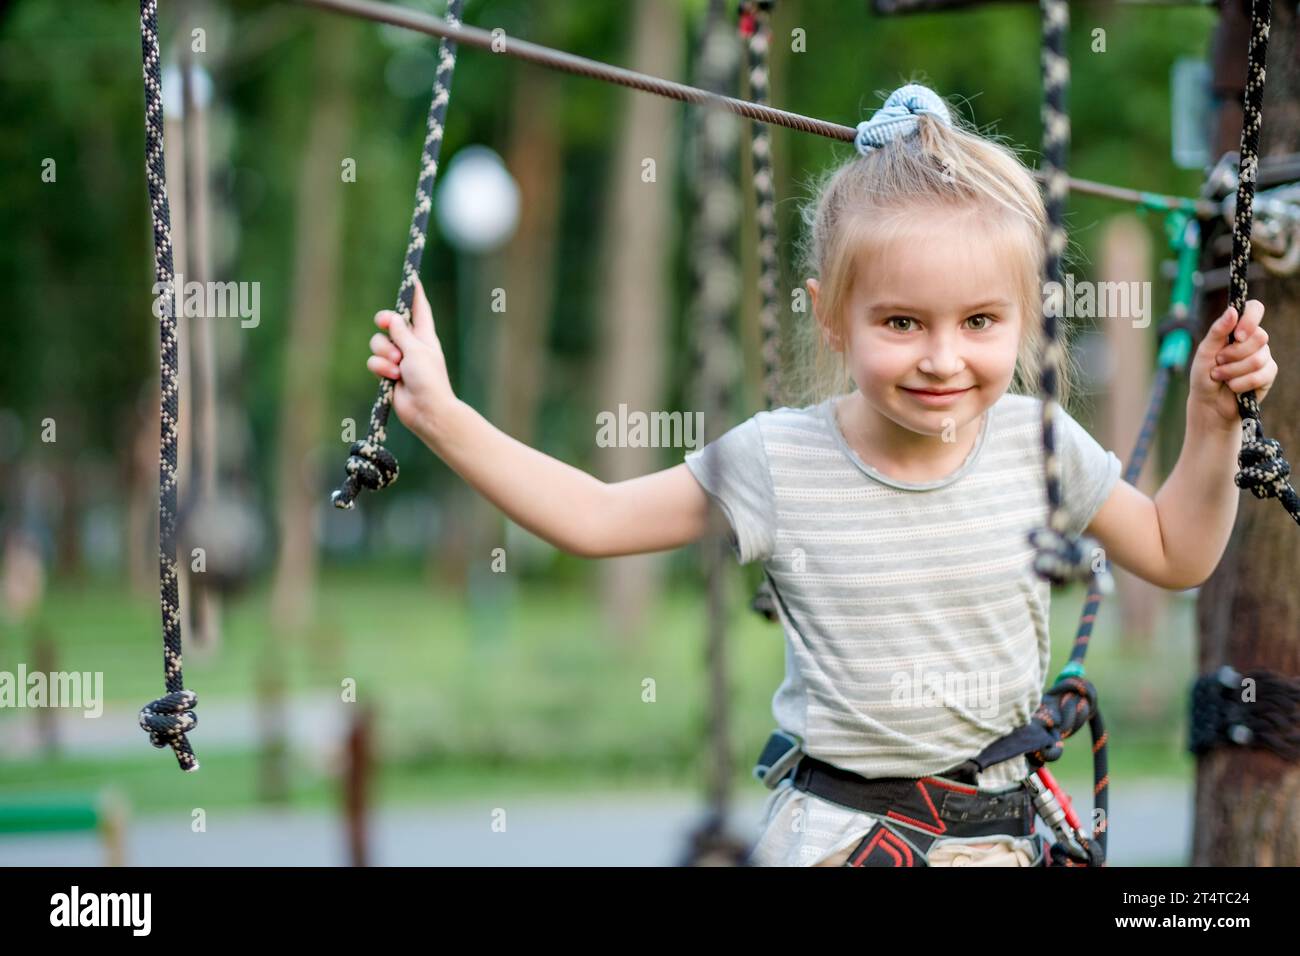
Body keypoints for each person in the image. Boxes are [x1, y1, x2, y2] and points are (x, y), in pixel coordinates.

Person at [363, 83, 1277, 866]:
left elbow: (1174, 548)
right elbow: (598, 518)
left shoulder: (1038, 442)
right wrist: (444, 416)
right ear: (833, 319)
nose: (943, 358)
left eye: (981, 322)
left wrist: (1211, 423)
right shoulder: (779, 459)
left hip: (997, 841)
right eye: (902, 323)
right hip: (841, 842)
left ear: (1027, 320)